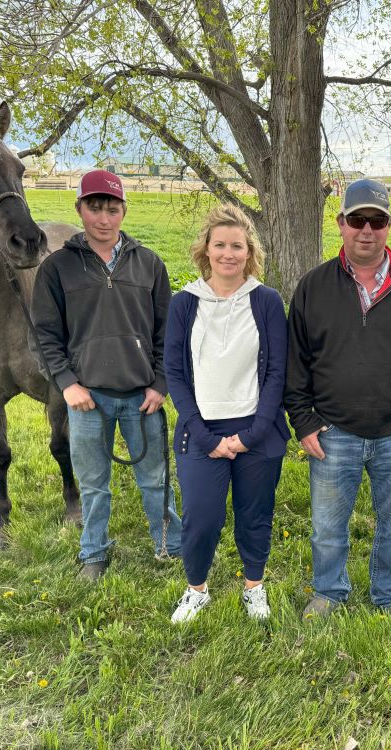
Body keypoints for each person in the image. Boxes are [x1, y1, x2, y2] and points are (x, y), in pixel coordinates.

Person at [285, 178, 391, 621]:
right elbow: (294, 362)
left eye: (377, 221)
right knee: (327, 527)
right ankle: (329, 591)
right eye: (357, 219)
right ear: (341, 223)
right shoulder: (313, 286)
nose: (366, 230)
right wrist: (303, 421)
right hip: (332, 432)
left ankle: (390, 593)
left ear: (389, 226)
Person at [32, 169, 182, 581]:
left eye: (112, 208)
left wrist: (160, 385)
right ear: (79, 209)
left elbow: (166, 332)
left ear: (123, 211)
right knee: (94, 483)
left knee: (155, 479)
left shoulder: (149, 264)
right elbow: (44, 334)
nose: (103, 217)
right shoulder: (58, 269)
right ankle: (94, 551)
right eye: (94, 208)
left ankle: (170, 544)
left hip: (142, 397)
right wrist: (67, 383)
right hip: (88, 398)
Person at [164, 204, 289, 623]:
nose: (228, 253)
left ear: (249, 252)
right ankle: (196, 588)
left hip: (258, 430)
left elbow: (276, 374)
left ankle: (254, 586)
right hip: (201, 431)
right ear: (206, 250)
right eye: (220, 245)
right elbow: (175, 374)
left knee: (255, 515)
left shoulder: (267, 301)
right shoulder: (184, 303)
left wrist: (250, 436)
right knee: (201, 518)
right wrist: (206, 438)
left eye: (237, 245)